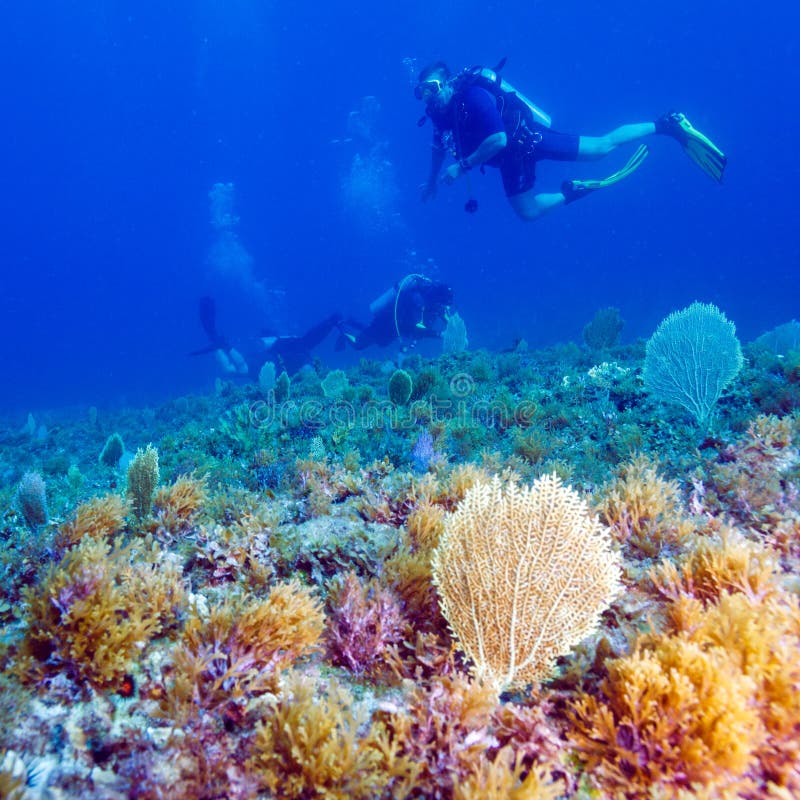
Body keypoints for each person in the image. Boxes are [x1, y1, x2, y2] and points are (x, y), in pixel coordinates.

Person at [415, 60, 727, 221]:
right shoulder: (440, 114)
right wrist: (431, 181)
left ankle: (667, 125)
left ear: (447, 82)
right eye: (421, 93)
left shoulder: (473, 96)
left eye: (431, 88)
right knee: (528, 213)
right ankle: (572, 191)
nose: (428, 97)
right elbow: (438, 146)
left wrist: (463, 166)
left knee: (600, 148)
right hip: (510, 159)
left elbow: (497, 139)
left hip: (524, 141)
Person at [191, 296, 342, 377]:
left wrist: (330, 323)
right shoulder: (302, 353)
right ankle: (222, 344)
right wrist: (330, 323)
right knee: (240, 369)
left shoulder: (300, 355)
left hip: (272, 357)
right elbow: (311, 339)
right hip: (272, 358)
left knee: (231, 370)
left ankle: (215, 340)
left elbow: (311, 338)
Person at [337, 274, 454, 350]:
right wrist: (441, 335)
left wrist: (456, 332)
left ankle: (351, 321)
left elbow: (446, 317)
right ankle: (339, 324)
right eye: (442, 304)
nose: (443, 308)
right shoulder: (418, 299)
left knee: (380, 341)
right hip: (386, 321)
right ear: (437, 298)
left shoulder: (435, 304)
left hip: (398, 326)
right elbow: (416, 329)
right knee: (359, 344)